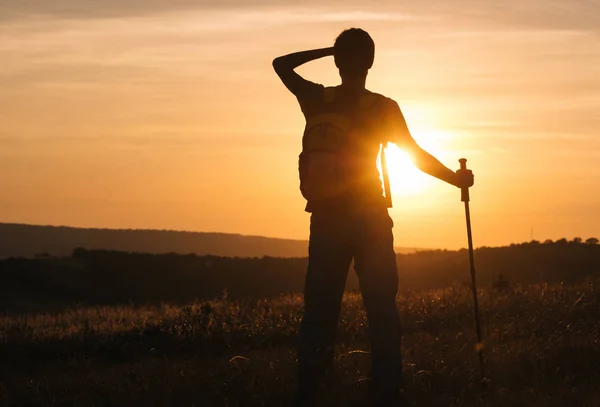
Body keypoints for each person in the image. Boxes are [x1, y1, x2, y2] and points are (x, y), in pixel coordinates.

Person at [273, 28, 474, 407]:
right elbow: (415, 156)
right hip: (371, 219)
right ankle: (386, 391)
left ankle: (312, 391)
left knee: (319, 311)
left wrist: (329, 49)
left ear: (336, 60)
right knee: (382, 310)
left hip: (327, 219)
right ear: (370, 62)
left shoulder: (317, 98)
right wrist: (456, 179)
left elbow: (280, 64)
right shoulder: (382, 107)